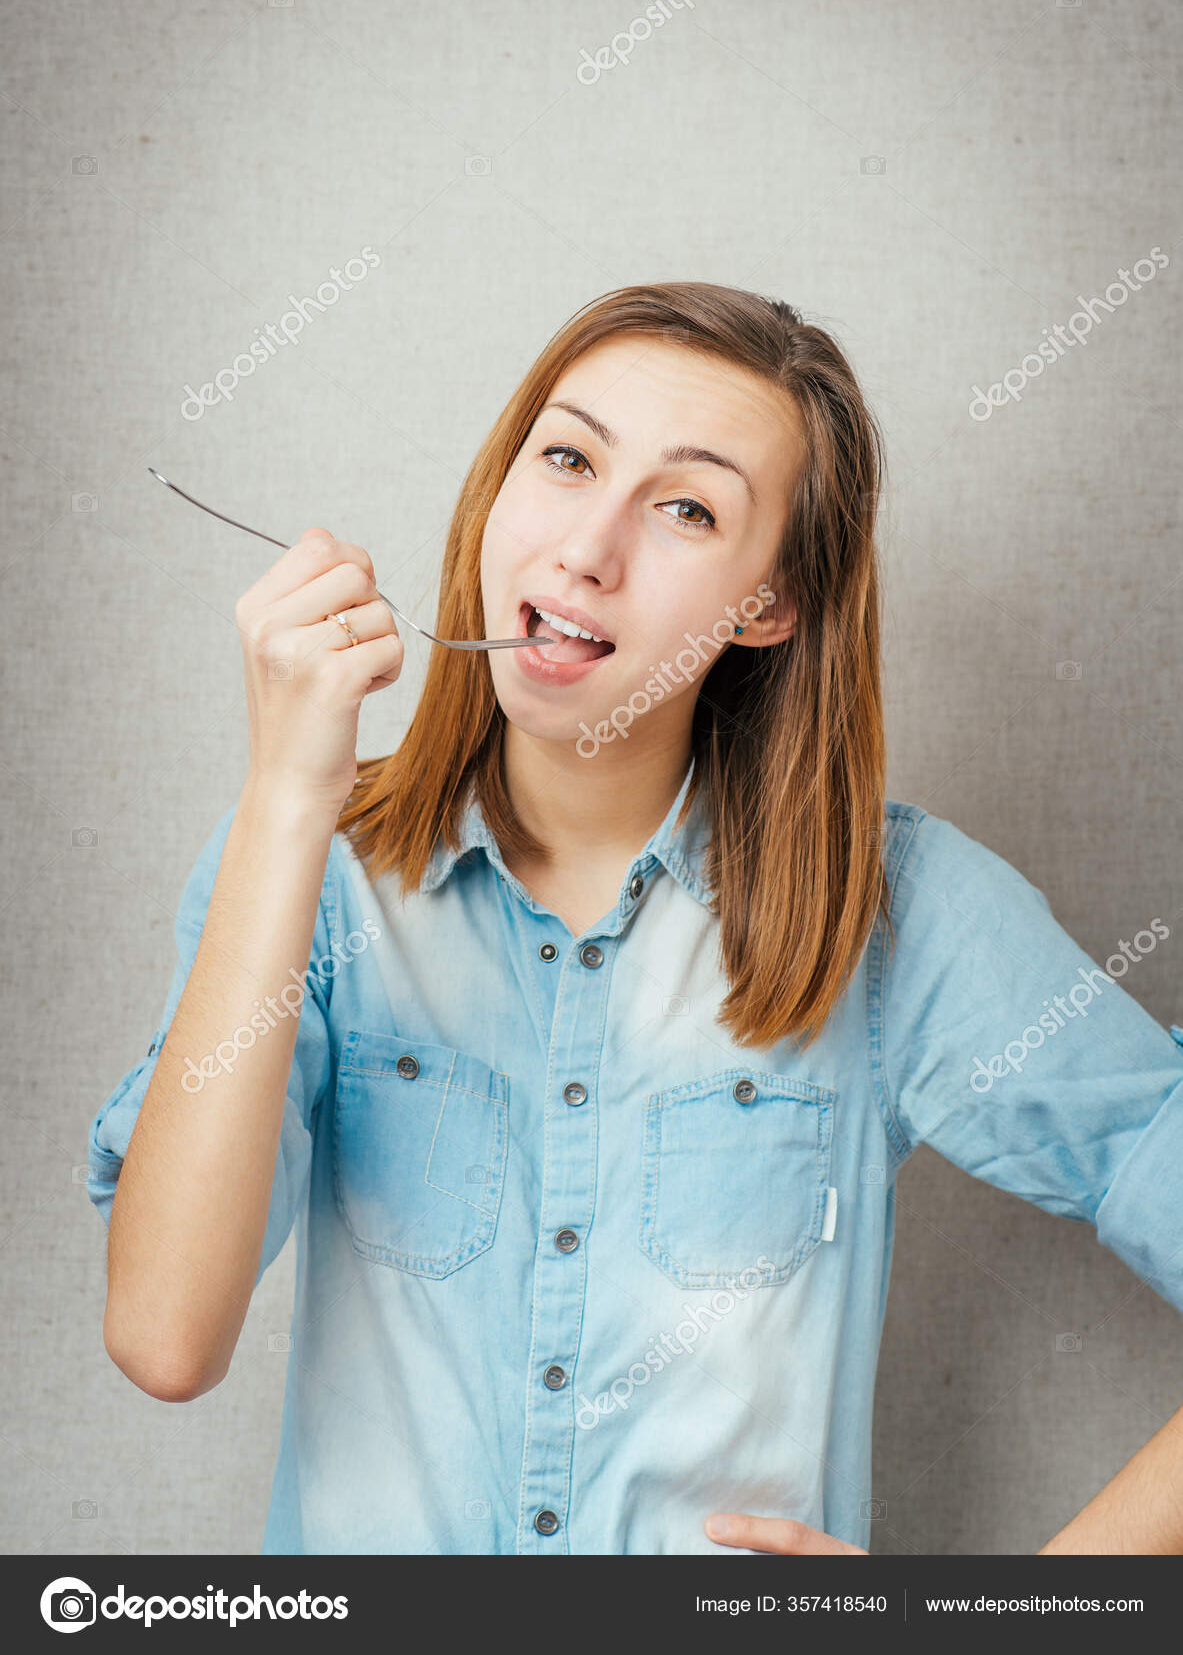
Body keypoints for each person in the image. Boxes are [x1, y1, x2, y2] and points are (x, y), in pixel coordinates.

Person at [86, 282, 1183, 1556]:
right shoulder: (308, 873)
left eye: (686, 508)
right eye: (567, 459)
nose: (586, 550)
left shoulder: (899, 913)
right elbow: (164, 1335)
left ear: (769, 605)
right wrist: (286, 795)